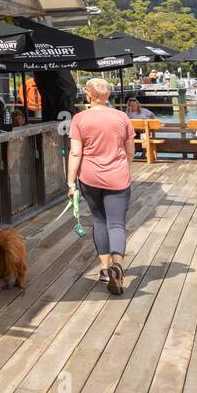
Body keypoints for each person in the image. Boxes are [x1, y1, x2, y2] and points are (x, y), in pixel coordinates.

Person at [67, 78, 133, 296]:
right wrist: (124, 166)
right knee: (116, 224)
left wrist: (70, 182)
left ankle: (105, 269)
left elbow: (76, 152)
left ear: (88, 95)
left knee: (99, 220)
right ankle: (118, 265)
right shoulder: (122, 117)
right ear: (108, 96)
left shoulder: (80, 119)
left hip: (90, 177)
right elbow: (130, 150)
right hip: (118, 177)